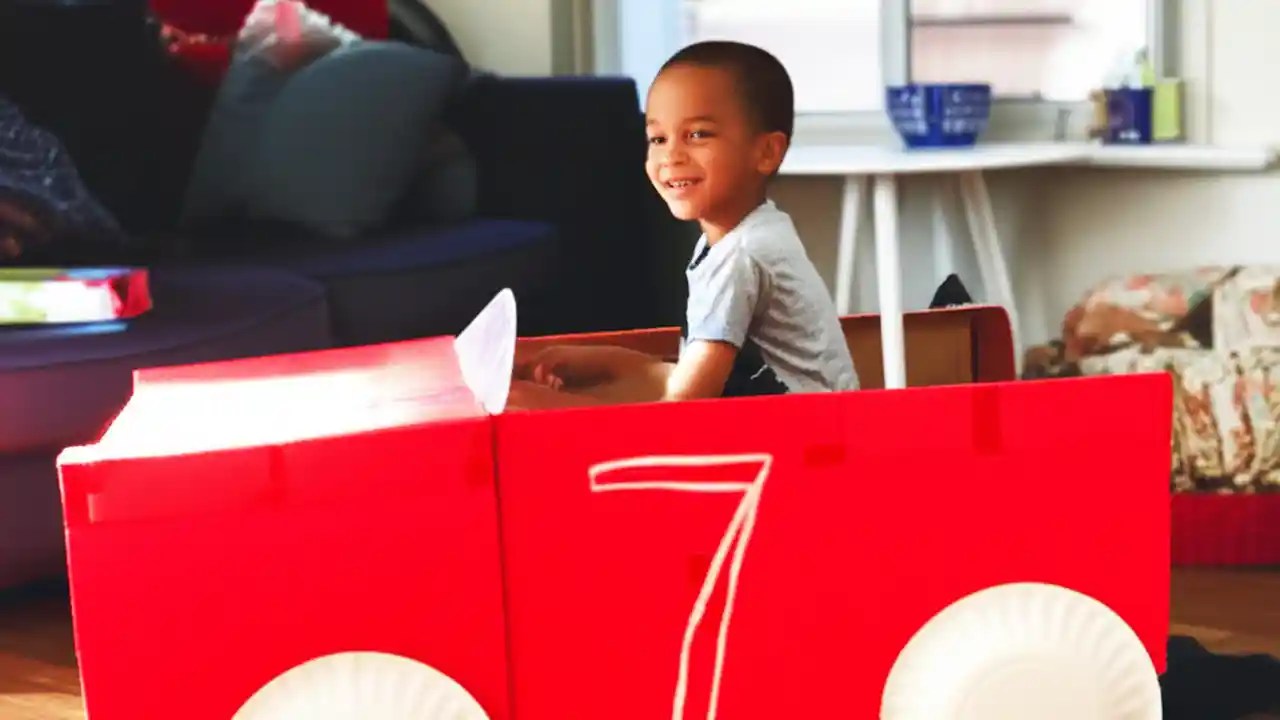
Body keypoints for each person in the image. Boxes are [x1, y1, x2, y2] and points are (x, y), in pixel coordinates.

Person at [510, 40, 856, 409]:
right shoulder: (744, 234)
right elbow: (683, 374)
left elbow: (684, 407)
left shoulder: (741, 258)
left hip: (809, 434)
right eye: (657, 138)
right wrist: (588, 360)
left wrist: (547, 408)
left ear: (766, 152)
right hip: (791, 412)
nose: (671, 156)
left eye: (697, 134)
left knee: (526, 405)